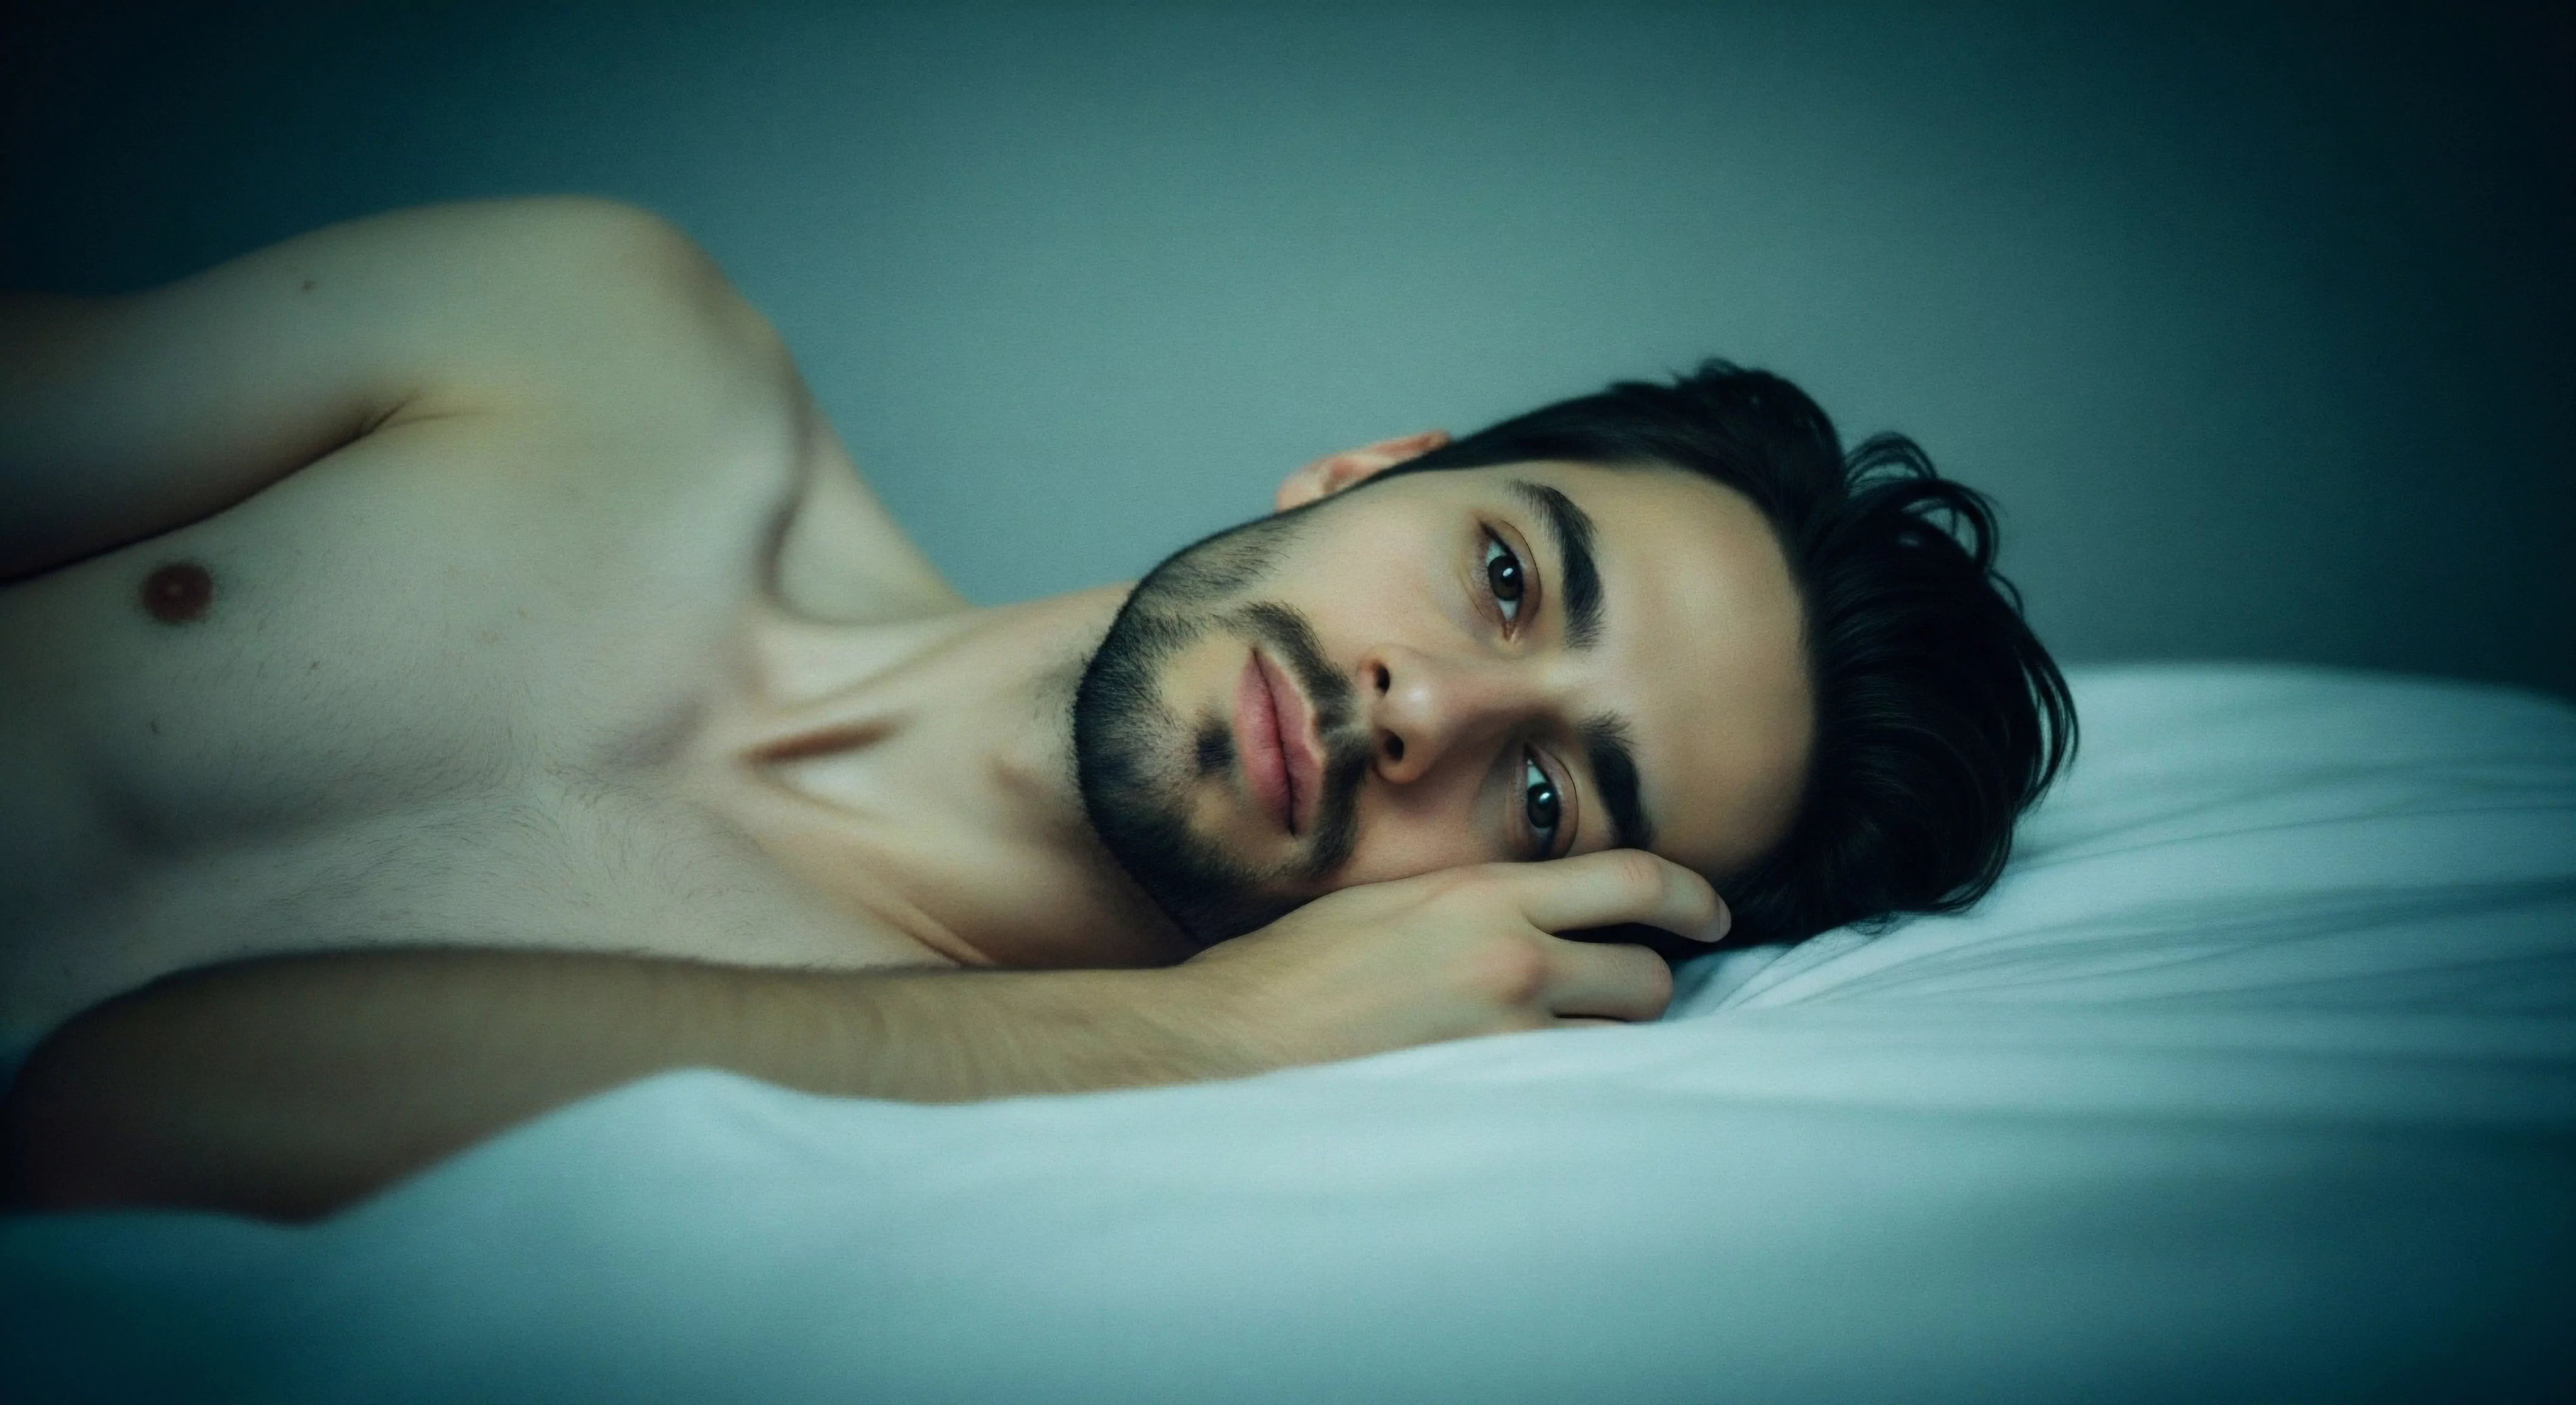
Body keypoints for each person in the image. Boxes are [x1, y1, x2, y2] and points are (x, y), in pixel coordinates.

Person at [0, 198, 2071, 1219]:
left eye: (1547, 798)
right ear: (1370, 469)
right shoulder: (597, 342)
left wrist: (1200, 1038)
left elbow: (124, 1109)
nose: (1426, 707)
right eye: (1507, 578)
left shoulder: (904, 1098)